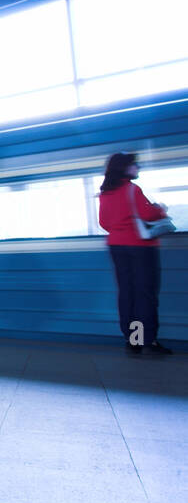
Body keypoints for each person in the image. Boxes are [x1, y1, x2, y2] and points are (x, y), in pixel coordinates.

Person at [97, 152, 173, 356]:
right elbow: (148, 214)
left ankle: (133, 341)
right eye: (134, 165)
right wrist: (161, 210)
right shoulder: (132, 189)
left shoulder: (105, 193)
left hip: (116, 247)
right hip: (140, 246)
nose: (137, 168)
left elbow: (104, 222)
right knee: (145, 294)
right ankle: (148, 341)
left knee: (127, 293)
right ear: (124, 168)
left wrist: (120, 228)